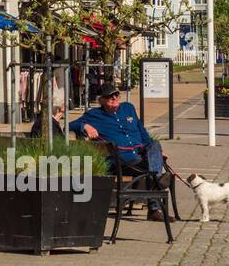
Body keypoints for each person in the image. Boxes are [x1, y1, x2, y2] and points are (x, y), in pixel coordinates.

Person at [69, 85, 169, 220]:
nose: (115, 98)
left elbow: (142, 131)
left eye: (116, 94)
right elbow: (69, 125)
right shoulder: (94, 115)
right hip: (121, 161)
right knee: (154, 169)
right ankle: (155, 199)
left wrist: (155, 153)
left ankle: (155, 178)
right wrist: (84, 126)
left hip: (140, 156)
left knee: (156, 146)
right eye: (110, 96)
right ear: (101, 100)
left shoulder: (128, 108)